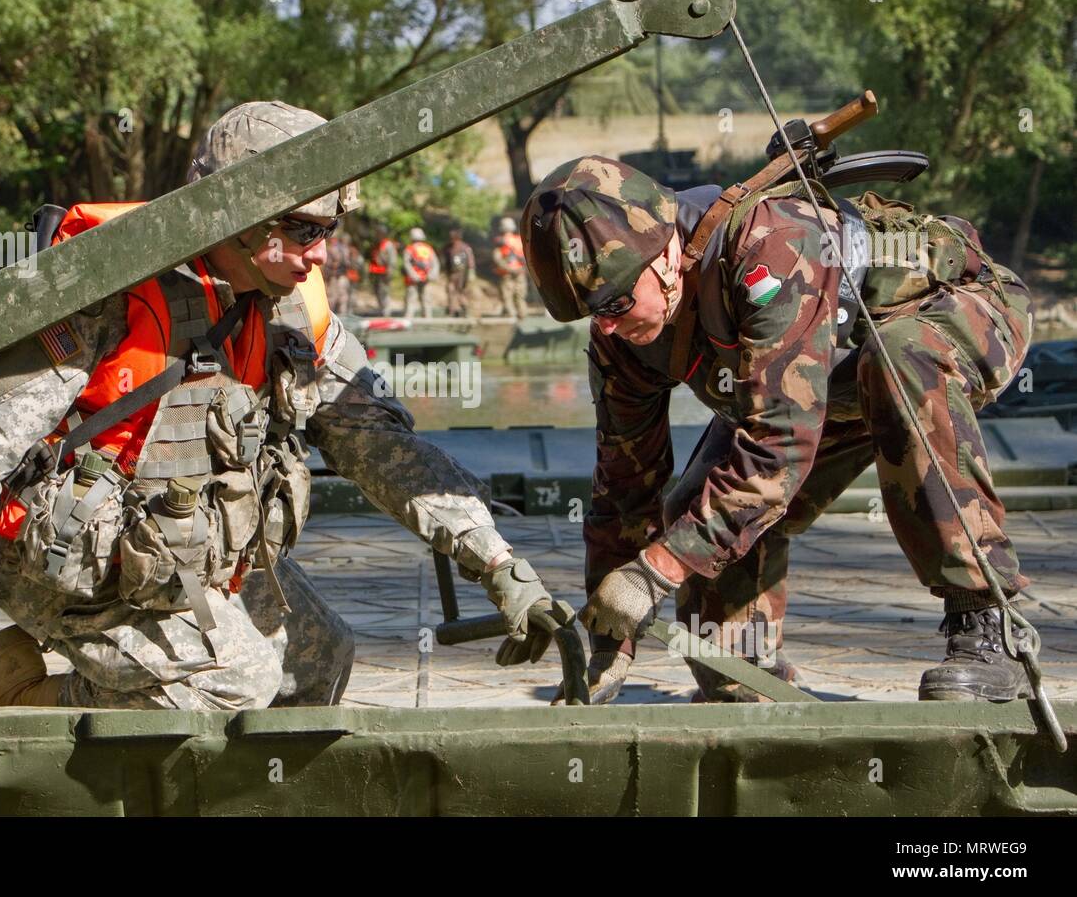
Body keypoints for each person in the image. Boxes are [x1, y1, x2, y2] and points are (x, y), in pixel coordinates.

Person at [0, 101, 566, 712]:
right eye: (304, 229)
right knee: (234, 682)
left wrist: (501, 566)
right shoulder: (111, 289)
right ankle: (16, 699)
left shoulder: (298, 314)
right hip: (67, 568)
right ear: (239, 217)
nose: (321, 252)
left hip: (180, 558)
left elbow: (384, 447)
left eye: (329, 229)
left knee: (315, 658)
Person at [521, 154, 1037, 705]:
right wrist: (608, 639)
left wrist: (653, 575)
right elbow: (623, 487)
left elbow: (777, 450)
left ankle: (988, 628)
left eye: (617, 303)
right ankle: (746, 675)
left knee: (897, 359)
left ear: (667, 253)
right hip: (822, 384)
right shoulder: (622, 336)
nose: (609, 325)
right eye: (593, 314)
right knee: (696, 509)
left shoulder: (770, 245)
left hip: (952, 319)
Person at [492, 216, 528, 319]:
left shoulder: (500, 241)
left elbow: (497, 258)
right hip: (520, 272)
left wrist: (507, 268)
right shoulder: (519, 240)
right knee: (520, 297)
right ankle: (522, 317)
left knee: (507, 297)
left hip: (506, 273)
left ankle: (511, 317)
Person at [402, 227, 437, 319]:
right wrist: (431, 275)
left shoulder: (410, 248)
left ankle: (410, 319)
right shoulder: (428, 248)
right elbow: (435, 263)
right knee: (423, 299)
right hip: (420, 278)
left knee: (413, 299)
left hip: (417, 278)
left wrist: (413, 274)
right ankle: (426, 319)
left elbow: (406, 263)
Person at [442, 228, 475, 318]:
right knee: (451, 290)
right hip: (452, 273)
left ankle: (464, 309)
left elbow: (470, 260)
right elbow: (445, 260)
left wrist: (471, 272)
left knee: (460, 292)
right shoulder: (449, 247)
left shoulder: (464, 247)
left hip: (462, 274)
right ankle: (453, 310)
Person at [324, 231, 357, 316]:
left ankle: (336, 315)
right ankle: (340, 315)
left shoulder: (334, 249)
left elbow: (329, 264)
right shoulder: (343, 249)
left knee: (336, 297)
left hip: (337, 276)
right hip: (338, 276)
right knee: (339, 297)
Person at [367, 231, 397, 316]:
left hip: (385, 272)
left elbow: (392, 259)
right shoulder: (376, 244)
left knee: (384, 291)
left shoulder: (388, 245)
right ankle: (381, 308)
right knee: (377, 291)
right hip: (376, 272)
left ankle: (386, 310)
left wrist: (390, 272)